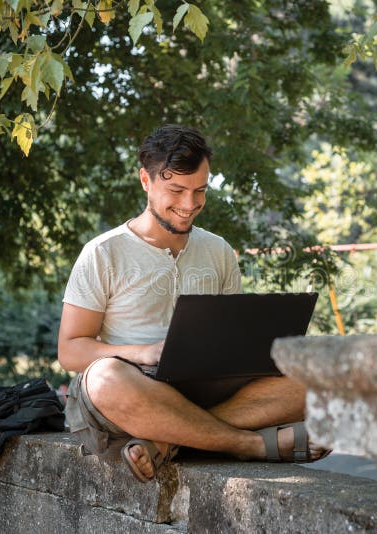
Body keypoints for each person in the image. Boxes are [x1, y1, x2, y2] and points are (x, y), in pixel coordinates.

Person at [58, 125, 330, 483]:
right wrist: (142, 353)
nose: (189, 205)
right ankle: (246, 444)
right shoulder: (103, 253)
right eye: (176, 190)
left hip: (204, 387)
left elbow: (234, 337)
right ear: (145, 180)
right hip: (134, 385)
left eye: (199, 191)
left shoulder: (217, 250)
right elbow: (71, 351)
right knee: (105, 378)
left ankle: (165, 442)